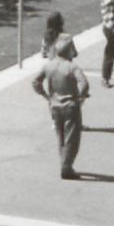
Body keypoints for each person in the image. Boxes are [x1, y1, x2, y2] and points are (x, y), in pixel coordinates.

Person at [31, 36, 89, 179]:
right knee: (72, 137)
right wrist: (81, 97)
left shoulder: (48, 66)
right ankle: (67, 166)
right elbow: (84, 83)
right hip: (70, 105)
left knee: (60, 136)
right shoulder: (72, 67)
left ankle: (63, 162)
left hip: (55, 106)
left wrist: (46, 96)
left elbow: (35, 82)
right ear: (69, 52)